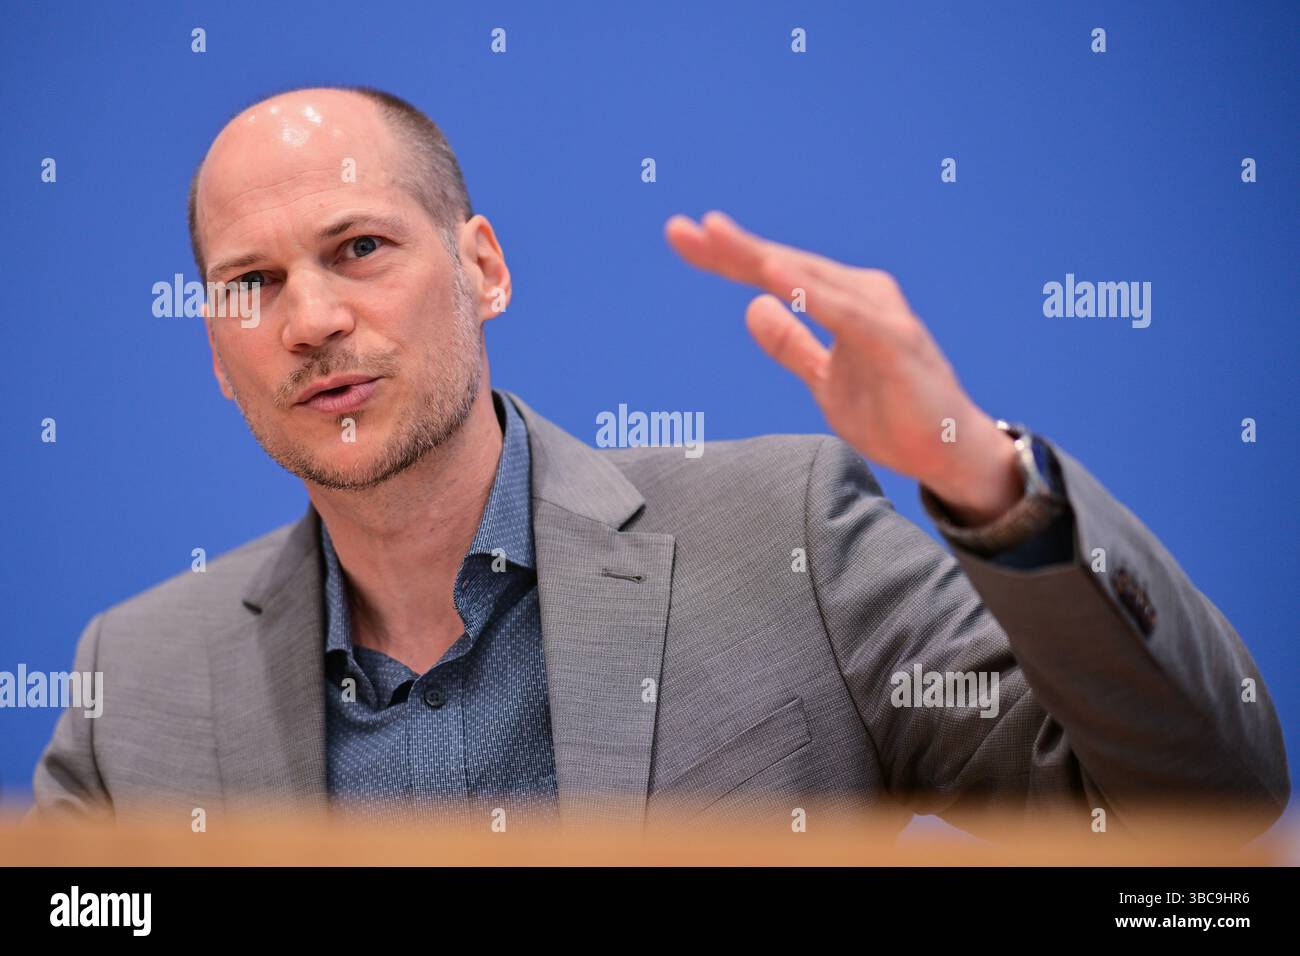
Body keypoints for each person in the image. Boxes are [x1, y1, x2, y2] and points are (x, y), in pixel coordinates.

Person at [30, 85, 1289, 839]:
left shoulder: (782, 541)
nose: (308, 319)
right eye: (250, 284)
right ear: (214, 347)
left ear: (483, 268)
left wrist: (976, 473)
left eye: (358, 247)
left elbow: (1201, 808)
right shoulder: (134, 682)